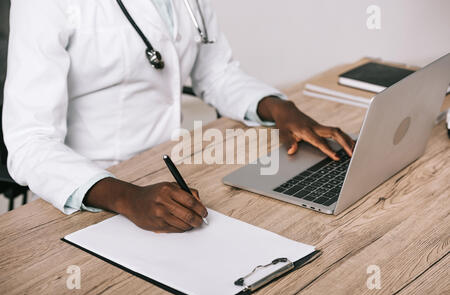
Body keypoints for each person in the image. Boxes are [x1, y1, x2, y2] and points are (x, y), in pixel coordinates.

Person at [3, 0, 355, 233]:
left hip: (171, 173)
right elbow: (28, 140)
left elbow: (215, 72)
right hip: (89, 190)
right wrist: (127, 198)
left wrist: (282, 109)